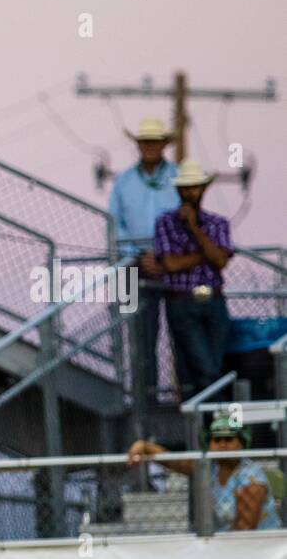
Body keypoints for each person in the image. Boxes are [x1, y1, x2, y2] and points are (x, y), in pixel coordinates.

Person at [108, 117, 179, 402]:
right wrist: (138, 256)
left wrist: (165, 256)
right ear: (138, 145)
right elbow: (115, 224)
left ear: (163, 144)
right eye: (145, 142)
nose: (150, 146)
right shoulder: (123, 182)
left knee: (182, 333)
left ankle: (185, 396)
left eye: (154, 141)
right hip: (134, 269)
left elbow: (187, 219)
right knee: (141, 338)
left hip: (174, 266)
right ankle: (145, 399)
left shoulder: (178, 176)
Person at [153, 158, 235, 399]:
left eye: (195, 187)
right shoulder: (165, 223)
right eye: (186, 187)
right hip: (182, 303)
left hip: (214, 302)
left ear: (203, 189)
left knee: (210, 368)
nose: (191, 192)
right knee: (205, 370)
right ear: (179, 190)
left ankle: (206, 426)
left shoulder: (217, 223)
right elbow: (170, 264)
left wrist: (195, 229)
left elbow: (220, 261)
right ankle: (218, 424)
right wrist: (206, 254)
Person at [126, 415, 281, 531]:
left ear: (241, 443)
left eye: (228, 439)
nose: (222, 445)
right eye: (217, 440)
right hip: (228, 542)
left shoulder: (250, 478)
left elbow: (245, 529)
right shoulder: (211, 468)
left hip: (259, 549)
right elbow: (176, 462)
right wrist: (144, 446)